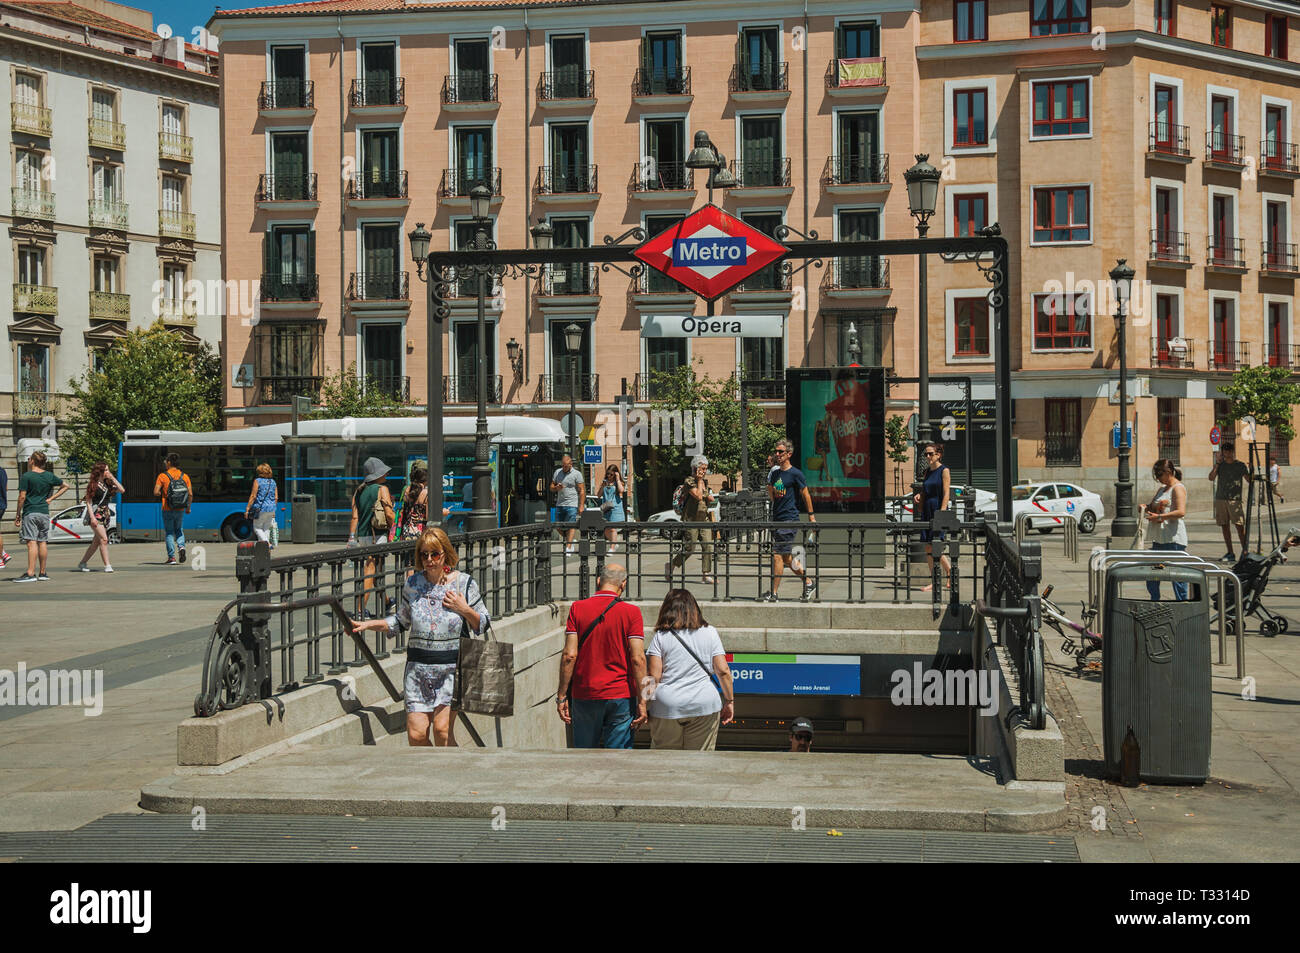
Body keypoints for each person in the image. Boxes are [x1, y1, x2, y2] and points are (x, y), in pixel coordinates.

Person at [351, 527, 486, 747]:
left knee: (442, 731)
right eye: (424, 555)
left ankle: (452, 774)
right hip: (418, 670)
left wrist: (464, 609)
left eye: (435, 554)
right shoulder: (413, 584)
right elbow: (400, 621)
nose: (429, 560)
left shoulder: (464, 583)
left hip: (452, 669)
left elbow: (483, 622)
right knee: (416, 735)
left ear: (445, 554)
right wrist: (368, 624)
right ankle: (433, 776)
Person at [556, 563, 647, 749]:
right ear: (623, 585)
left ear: (598, 581)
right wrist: (644, 700)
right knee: (618, 758)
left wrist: (562, 696)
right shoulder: (632, 612)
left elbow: (569, 655)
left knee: (584, 754)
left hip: (584, 693)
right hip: (621, 694)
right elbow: (639, 659)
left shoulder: (577, 608)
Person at [644, 588, 735, 750]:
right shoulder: (710, 632)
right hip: (704, 704)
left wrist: (643, 702)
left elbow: (653, 676)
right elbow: (723, 671)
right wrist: (729, 700)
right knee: (699, 762)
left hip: (667, 706)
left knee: (664, 762)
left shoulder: (661, 636)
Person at [766, 437, 817, 602]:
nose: (777, 454)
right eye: (776, 451)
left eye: (780, 451)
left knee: (777, 555)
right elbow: (775, 495)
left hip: (790, 519)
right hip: (777, 518)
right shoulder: (775, 474)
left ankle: (773, 593)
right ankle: (809, 582)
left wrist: (811, 516)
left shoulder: (796, 473)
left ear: (789, 454)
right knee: (786, 557)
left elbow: (805, 494)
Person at [348, 457, 395, 617]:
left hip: (363, 536)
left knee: (376, 570)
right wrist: (393, 525)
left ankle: (387, 602)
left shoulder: (358, 491)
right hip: (378, 536)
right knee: (370, 571)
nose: (386, 475)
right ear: (377, 474)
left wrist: (351, 538)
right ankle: (360, 610)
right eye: (384, 473)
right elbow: (389, 514)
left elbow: (354, 517)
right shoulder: (382, 489)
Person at [12, 450, 67, 582]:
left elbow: (22, 497)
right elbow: (65, 485)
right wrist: (51, 498)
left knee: (31, 543)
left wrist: (17, 514)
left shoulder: (27, 476)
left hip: (30, 512)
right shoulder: (49, 476)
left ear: (32, 461)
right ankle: (42, 573)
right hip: (44, 513)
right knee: (42, 542)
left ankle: (30, 573)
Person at [667, 455, 717, 585]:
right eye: (702, 468)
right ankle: (672, 564)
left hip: (704, 519)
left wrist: (706, 491)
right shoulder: (689, 482)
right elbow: (699, 496)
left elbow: (708, 497)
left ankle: (705, 574)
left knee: (708, 546)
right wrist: (700, 481)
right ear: (695, 468)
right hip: (691, 519)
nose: (704, 471)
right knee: (690, 548)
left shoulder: (704, 482)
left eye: (706, 469)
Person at [1143, 458, 1188, 601]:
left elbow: (1181, 512)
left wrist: (1160, 516)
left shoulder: (1178, 488)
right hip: (1159, 538)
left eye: (1160, 476)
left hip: (1173, 538)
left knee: (1177, 576)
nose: (1158, 479)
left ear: (1168, 472)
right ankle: (1154, 601)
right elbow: (1152, 505)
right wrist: (1146, 507)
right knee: (1153, 574)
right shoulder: (1162, 489)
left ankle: (1182, 604)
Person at [914, 441, 953, 591]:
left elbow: (946, 493)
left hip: (937, 509)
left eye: (931, 453)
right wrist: (919, 496)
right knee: (928, 547)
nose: (928, 456)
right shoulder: (927, 472)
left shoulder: (944, 471)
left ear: (939, 455)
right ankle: (936, 580)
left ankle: (950, 571)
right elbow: (925, 490)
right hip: (927, 509)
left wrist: (941, 512)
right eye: (926, 454)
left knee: (935, 545)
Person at [77, 461, 124, 573]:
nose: (108, 472)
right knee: (104, 539)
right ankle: (107, 565)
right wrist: (92, 518)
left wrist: (112, 477)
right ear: (100, 472)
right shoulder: (93, 485)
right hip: (96, 513)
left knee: (96, 542)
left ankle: (82, 563)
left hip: (105, 514)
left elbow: (122, 490)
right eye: (106, 470)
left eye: (108, 470)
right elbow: (88, 502)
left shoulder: (108, 484)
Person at [1209, 443, 1251, 561]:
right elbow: (1211, 477)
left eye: (1229, 450)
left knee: (1239, 526)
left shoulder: (1240, 465)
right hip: (1220, 498)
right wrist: (1217, 464)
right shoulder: (1220, 465)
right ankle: (1230, 552)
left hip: (1234, 500)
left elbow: (1249, 480)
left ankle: (1245, 552)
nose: (1227, 453)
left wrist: (1251, 470)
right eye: (1225, 451)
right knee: (1224, 526)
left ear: (1233, 451)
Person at [153, 452, 192, 565]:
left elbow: (155, 492)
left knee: (169, 532)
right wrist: (188, 507)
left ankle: (172, 558)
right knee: (179, 530)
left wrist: (164, 493)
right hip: (180, 508)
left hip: (167, 508)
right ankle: (181, 547)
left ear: (169, 462)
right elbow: (190, 494)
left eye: (166, 461)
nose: (165, 462)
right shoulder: (184, 476)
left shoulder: (163, 476)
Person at [550, 453, 585, 557]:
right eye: (562, 465)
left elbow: (582, 490)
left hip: (572, 504)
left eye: (566, 466)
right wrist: (556, 488)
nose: (564, 468)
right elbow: (551, 487)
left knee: (571, 525)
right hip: (560, 503)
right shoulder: (557, 472)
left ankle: (568, 547)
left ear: (571, 464)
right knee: (557, 525)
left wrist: (581, 505)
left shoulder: (577, 474)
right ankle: (571, 540)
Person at [244, 463, 279, 548]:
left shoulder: (257, 481)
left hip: (260, 509)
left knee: (257, 528)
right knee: (266, 529)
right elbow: (276, 497)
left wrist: (247, 509)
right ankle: (264, 551)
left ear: (260, 472)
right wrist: (274, 508)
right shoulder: (273, 482)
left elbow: (253, 496)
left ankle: (267, 544)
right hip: (271, 509)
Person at [394, 464, 429, 542]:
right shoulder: (426, 493)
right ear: (426, 480)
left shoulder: (407, 490)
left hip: (406, 531)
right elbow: (428, 516)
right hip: (420, 532)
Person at [598, 464, 626, 553]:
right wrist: (602, 486)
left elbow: (621, 491)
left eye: (611, 474)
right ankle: (614, 543)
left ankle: (612, 548)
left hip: (615, 508)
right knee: (606, 529)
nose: (609, 476)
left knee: (612, 528)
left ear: (615, 474)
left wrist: (617, 479)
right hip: (606, 508)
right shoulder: (605, 482)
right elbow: (598, 495)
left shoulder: (618, 482)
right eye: (608, 474)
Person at [0, 462, 10, 568]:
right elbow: (6, 488)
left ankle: (0, 559)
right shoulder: (3, 471)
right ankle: (3, 554)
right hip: (2, 504)